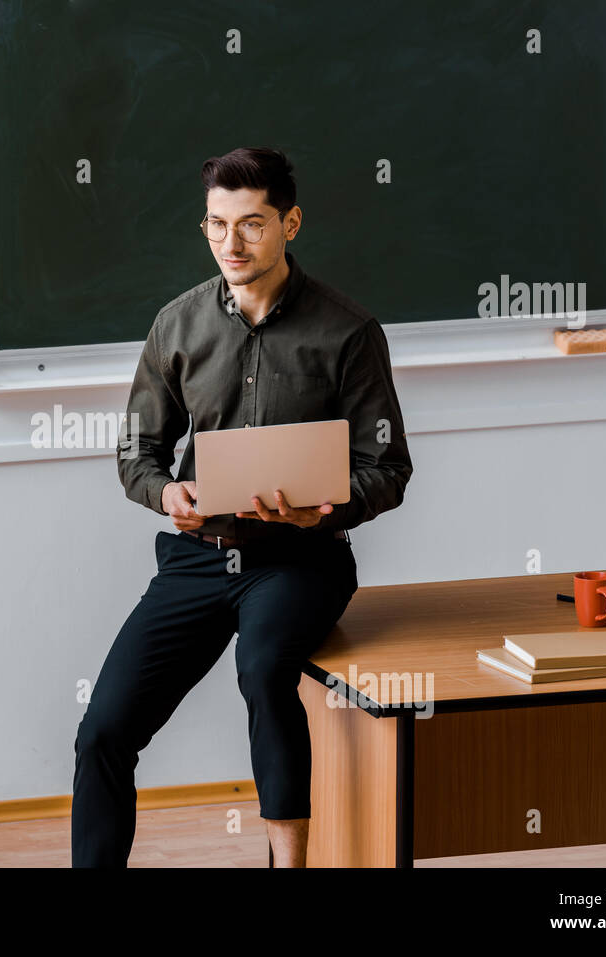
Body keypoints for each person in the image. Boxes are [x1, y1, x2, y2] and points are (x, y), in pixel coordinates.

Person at [71, 146, 413, 867]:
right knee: (102, 730)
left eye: (252, 224)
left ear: (290, 224)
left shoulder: (347, 332)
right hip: (197, 559)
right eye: (218, 225)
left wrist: (322, 508)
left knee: (262, 668)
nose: (232, 243)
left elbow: (388, 468)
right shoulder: (178, 326)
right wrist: (167, 492)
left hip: (300, 561)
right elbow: (137, 451)